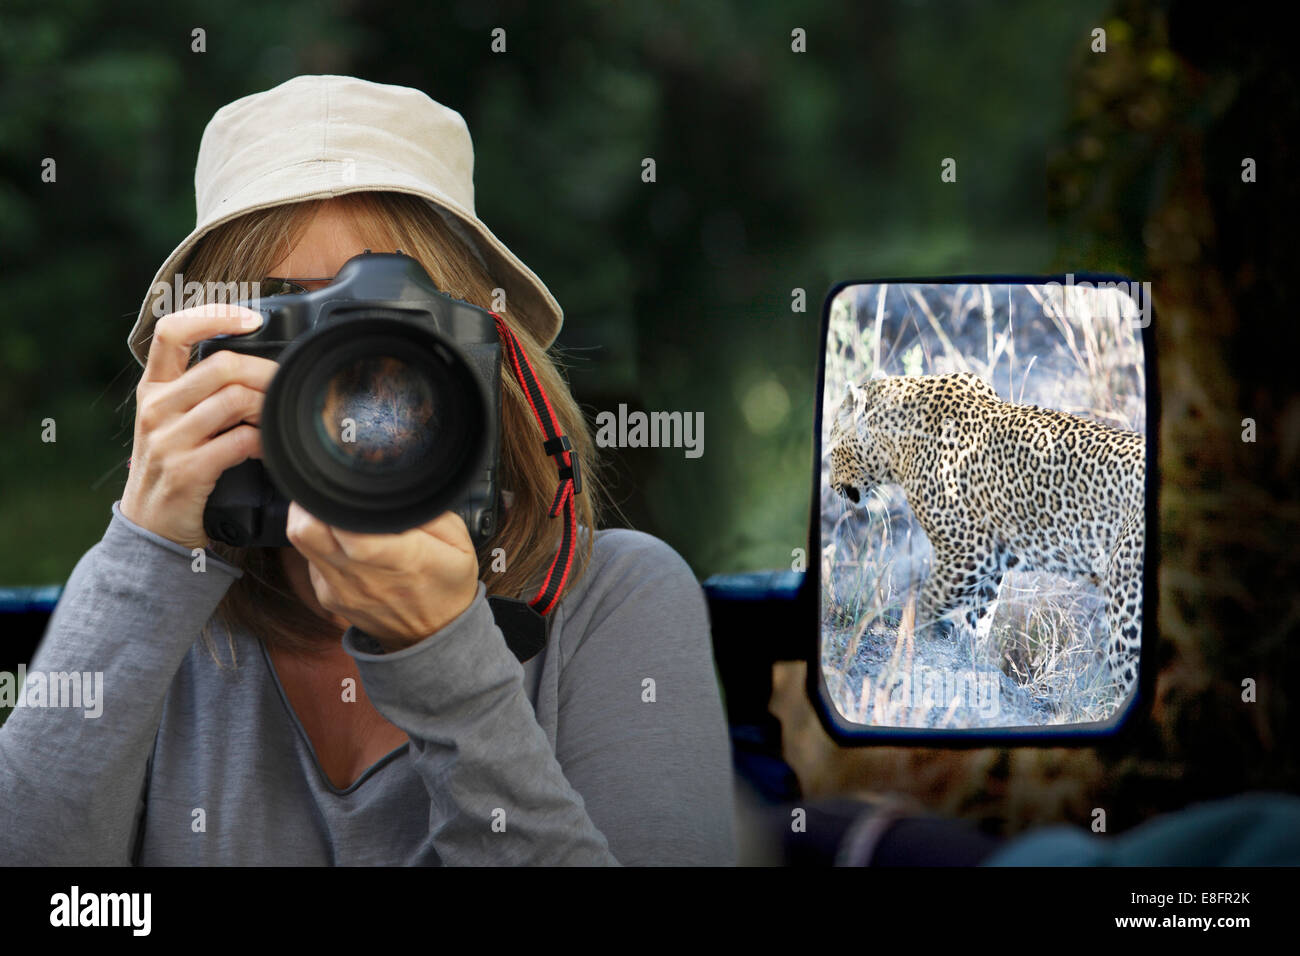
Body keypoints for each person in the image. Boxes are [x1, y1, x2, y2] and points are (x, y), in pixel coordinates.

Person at [0, 75, 736, 865]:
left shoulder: (613, 599)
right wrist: (146, 552)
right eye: (292, 321)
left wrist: (446, 656)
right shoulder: (159, 610)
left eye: (396, 324)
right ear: (203, 365)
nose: (351, 376)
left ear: (493, 362)